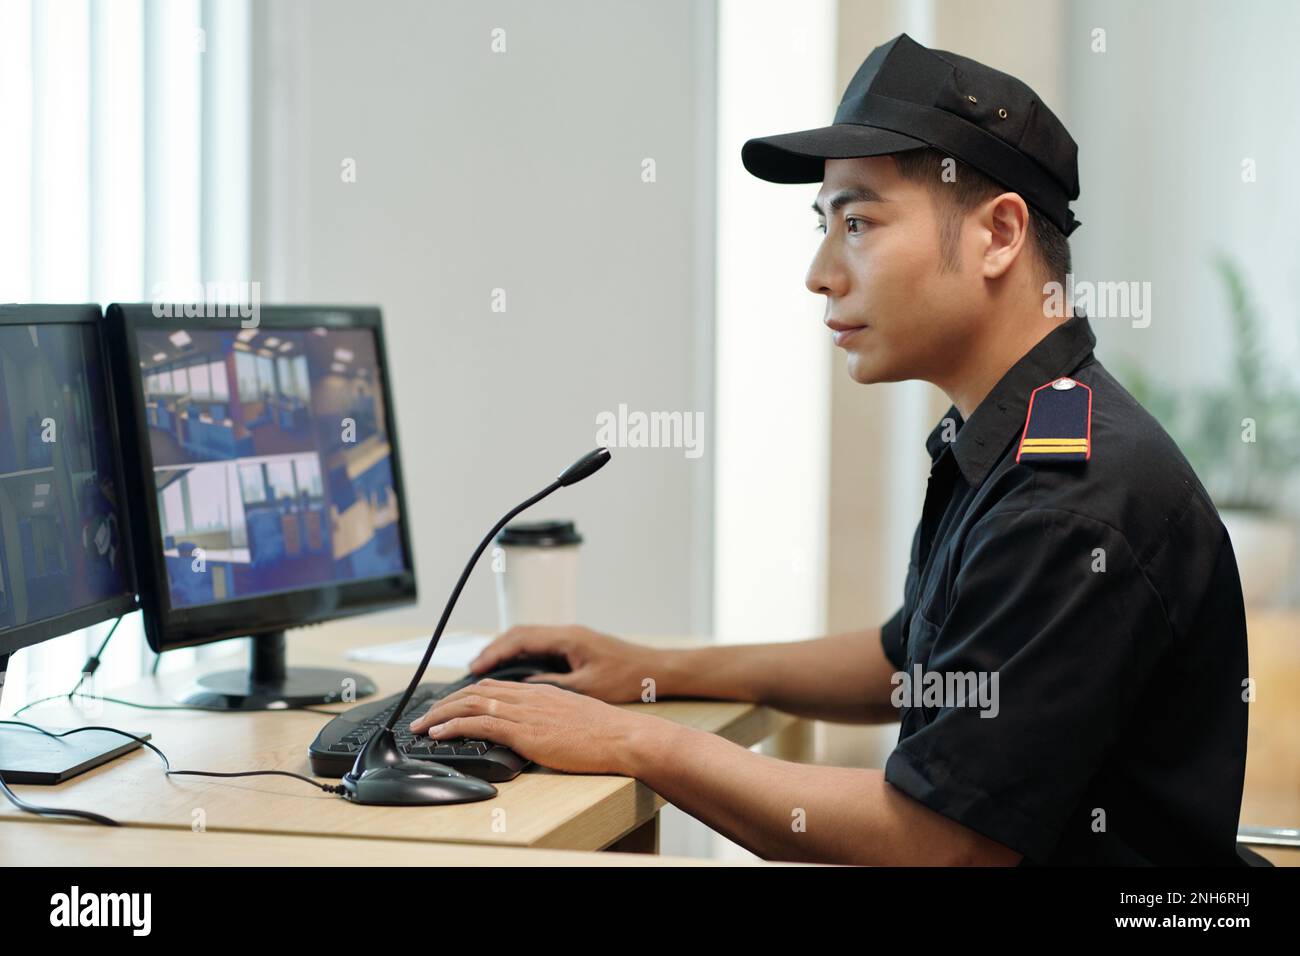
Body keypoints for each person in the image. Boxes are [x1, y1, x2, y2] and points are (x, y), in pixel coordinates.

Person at [411, 33, 1251, 866]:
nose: (819, 272)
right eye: (824, 223)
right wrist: (656, 668)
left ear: (998, 235)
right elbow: (906, 659)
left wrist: (632, 742)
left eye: (857, 222)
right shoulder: (1021, 430)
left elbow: (935, 841)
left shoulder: (1071, 501)